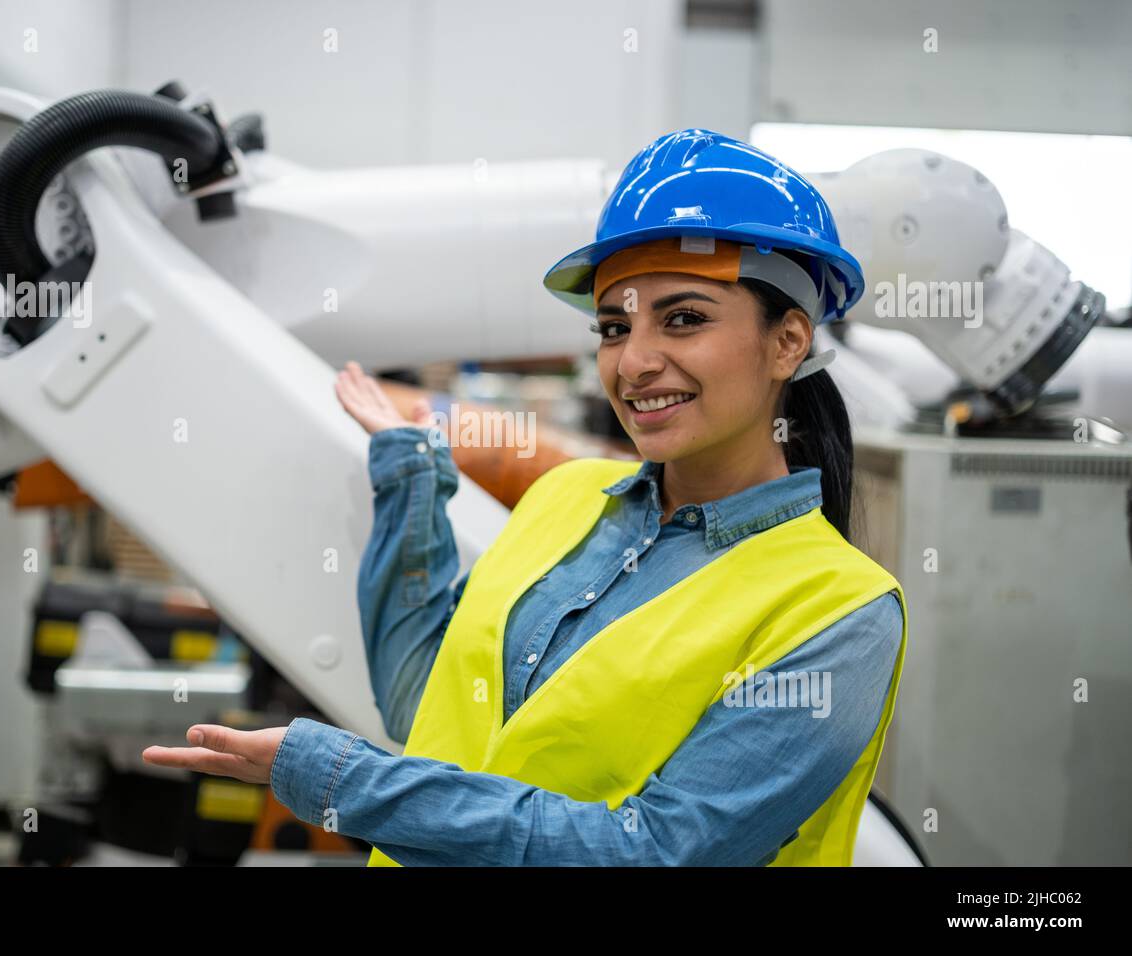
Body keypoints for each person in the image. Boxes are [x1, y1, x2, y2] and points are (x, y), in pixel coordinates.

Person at [143, 129, 908, 866]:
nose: (635, 361)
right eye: (614, 326)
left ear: (788, 342)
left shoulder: (840, 612)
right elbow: (428, 706)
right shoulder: (568, 497)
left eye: (683, 319)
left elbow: (652, 853)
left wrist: (343, 779)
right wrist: (407, 467)